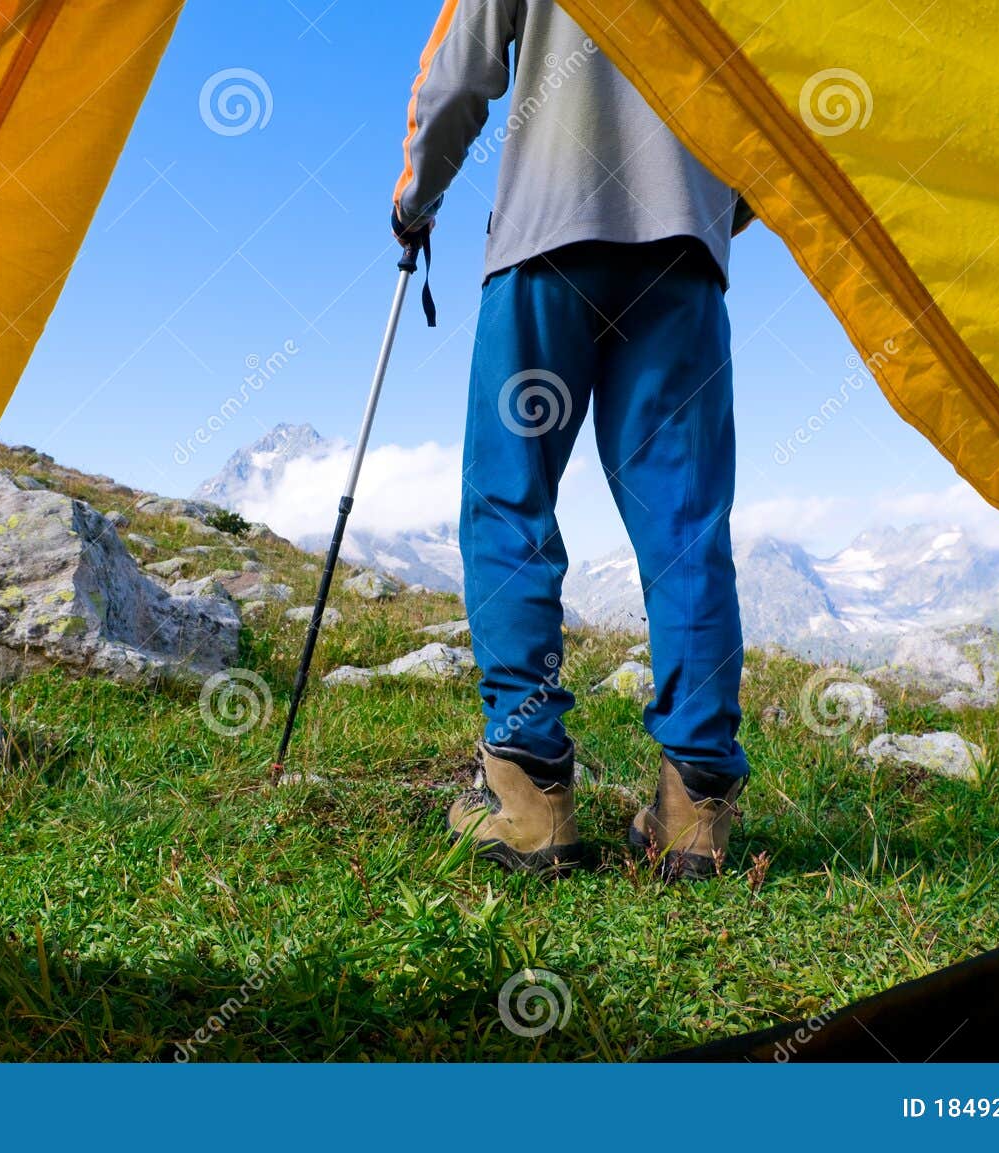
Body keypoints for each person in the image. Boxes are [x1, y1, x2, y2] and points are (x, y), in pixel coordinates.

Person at [391, 0, 752, 879]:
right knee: (686, 527)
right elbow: (780, 105)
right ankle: (694, 814)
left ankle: (530, 800)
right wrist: (709, 205)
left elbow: (458, 71)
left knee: (510, 498)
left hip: (546, 240)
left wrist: (415, 200)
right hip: (681, 261)